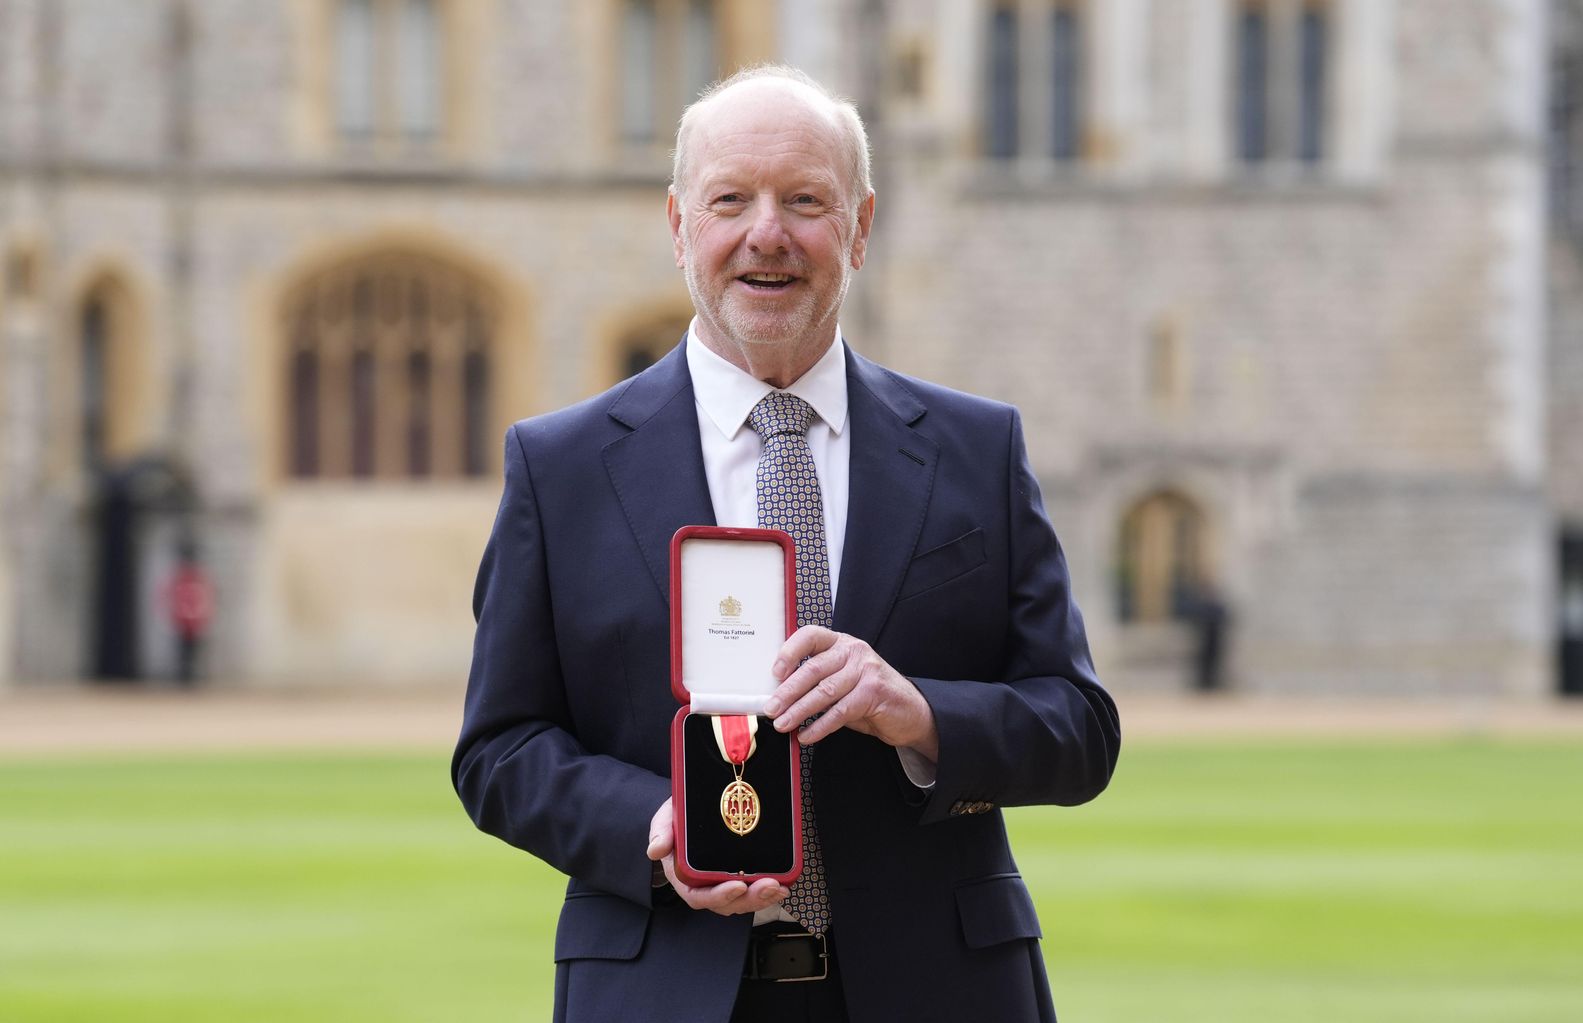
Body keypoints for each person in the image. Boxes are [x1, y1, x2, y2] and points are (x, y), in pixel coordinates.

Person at [453, 65, 1120, 1023]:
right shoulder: (559, 467)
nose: (767, 233)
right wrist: (656, 828)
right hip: (662, 989)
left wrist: (918, 713)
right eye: (730, 200)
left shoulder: (976, 449)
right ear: (679, 225)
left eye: (805, 200)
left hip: (938, 989)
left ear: (860, 227)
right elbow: (499, 749)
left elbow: (1080, 728)